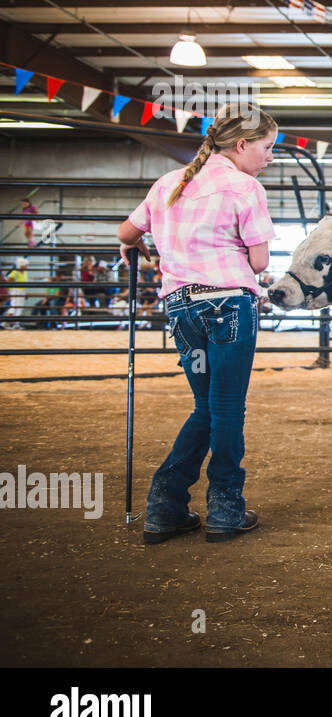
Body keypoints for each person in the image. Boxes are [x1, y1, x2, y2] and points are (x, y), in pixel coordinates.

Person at [117, 104, 278, 543]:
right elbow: (260, 261)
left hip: (182, 309)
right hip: (229, 306)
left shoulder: (170, 183)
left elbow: (126, 233)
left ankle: (165, 506)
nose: (269, 157)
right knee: (227, 408)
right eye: (266, 148)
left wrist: (134, 248)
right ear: (242, 145)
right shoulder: (245, 187)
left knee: (206, 407)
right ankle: (226, 508)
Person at [3, 257, 29, 329]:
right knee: (14, 307)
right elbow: (8, 280)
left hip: (22, 291)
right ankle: (7, 323)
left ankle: (13, 324)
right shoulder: (15, 272)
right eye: (26, 265)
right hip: (15, 291)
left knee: (18, 308)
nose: (27, 266)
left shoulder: (25, 272)